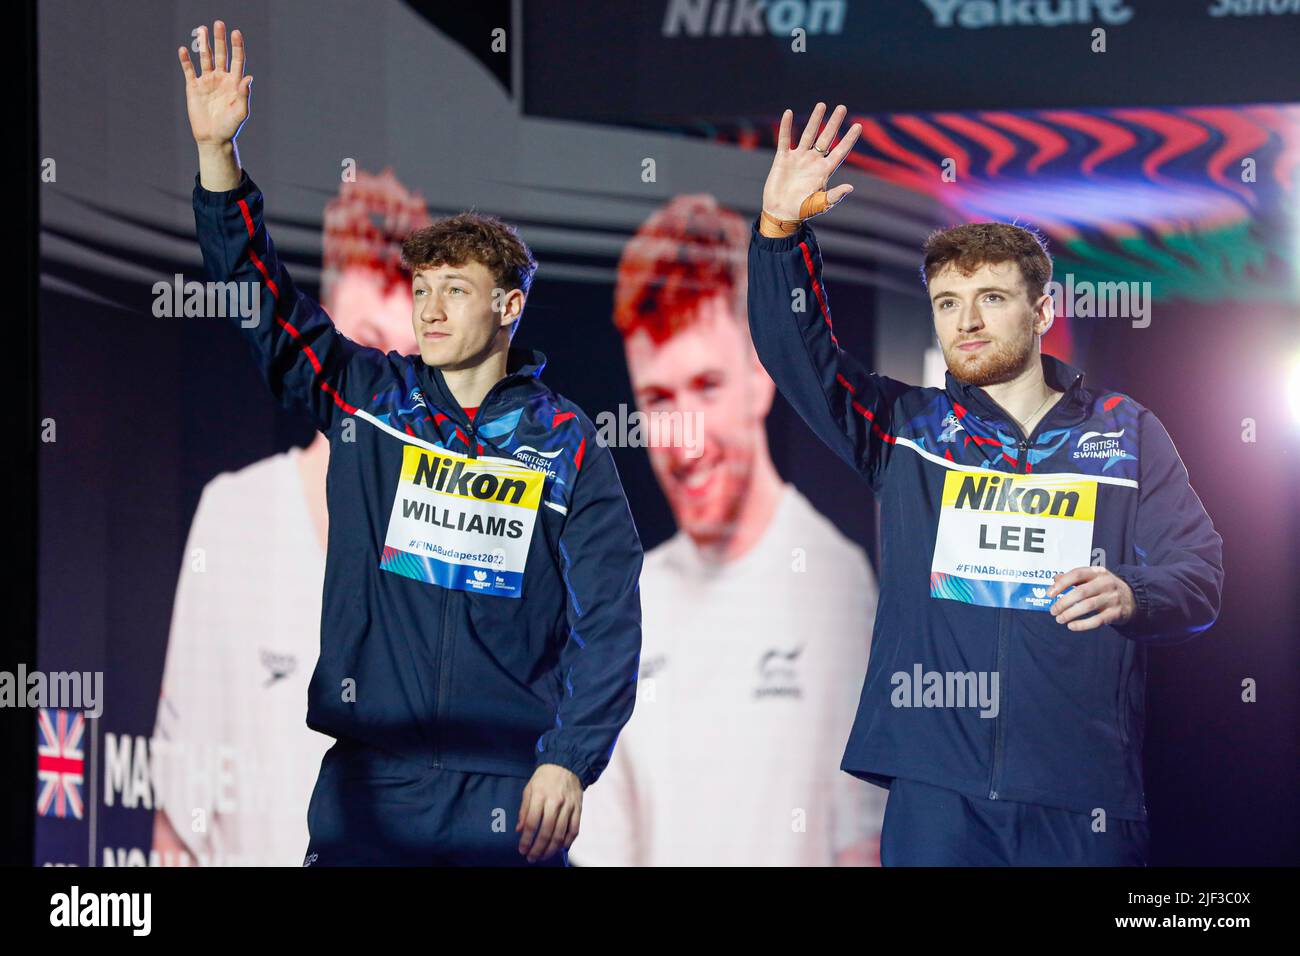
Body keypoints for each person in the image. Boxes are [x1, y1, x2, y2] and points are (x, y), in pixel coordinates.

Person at [176, 21, 642, 866]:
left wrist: (572, 760)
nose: (427, 309)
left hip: (507, 794)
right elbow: (265, 309)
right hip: (371, 790)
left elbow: (610, 618)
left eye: (454, 291)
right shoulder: (370, 400)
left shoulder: (569, 445)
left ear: (508, 307)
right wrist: (218, 159)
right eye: (419, 289)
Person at [747, 103, 1224, 866]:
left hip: (1084, 793)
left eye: (991, 299)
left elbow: (1199, 575)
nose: (965, 321)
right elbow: (796, 354)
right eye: (947, 303)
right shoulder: (907, 428)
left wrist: (1135, 592)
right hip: (939, 795)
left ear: (1043, 310)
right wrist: (779, 235)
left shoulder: (1126, 433)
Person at [573, 195, 885, 866]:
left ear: (759, 376)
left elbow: (862, 843)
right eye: (658, 400)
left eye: (707, 385)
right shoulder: (628, 598)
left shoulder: (831, 579)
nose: (684, 443)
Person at [151, 168, 430, 866]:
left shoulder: (447, 538)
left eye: (398, 365)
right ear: (324, 315)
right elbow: (178, 815)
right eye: (362, 344)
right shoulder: (234, 517)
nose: (375, 388)